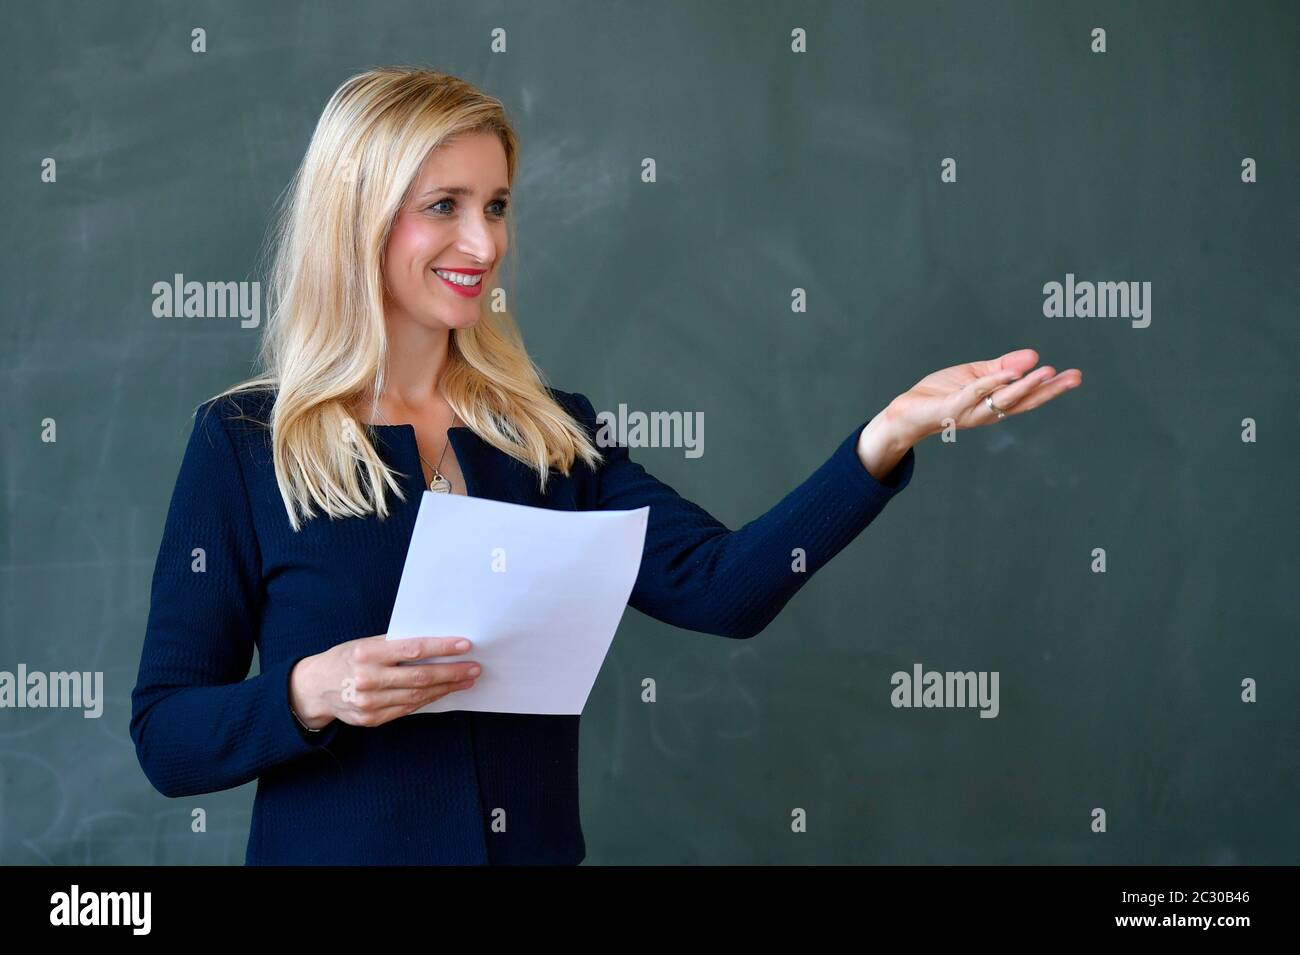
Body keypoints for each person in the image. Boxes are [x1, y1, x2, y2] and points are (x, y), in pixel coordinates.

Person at [130, 66, 1082, 865]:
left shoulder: (549, 435)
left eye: (497, 205)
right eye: (445, 208)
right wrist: (310, 692)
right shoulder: (248, 443)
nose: (485, 243)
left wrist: (885, 436)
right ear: (359, 218)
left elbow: (725, 588)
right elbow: (167, 735)